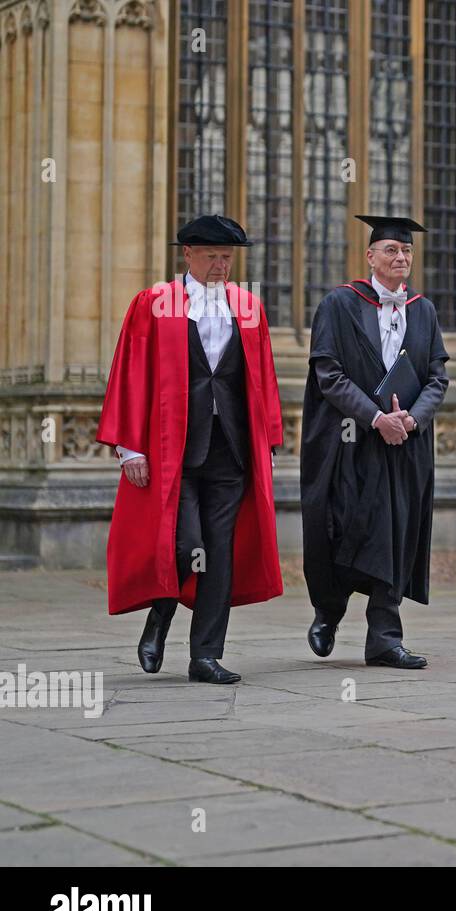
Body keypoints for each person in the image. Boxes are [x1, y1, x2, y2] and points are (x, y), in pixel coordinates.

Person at [98, 214, 283, 684]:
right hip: (171, 450)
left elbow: (260, 380)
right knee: (185, 545)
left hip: (230, 449)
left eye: (227, 257)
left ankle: (205, 655)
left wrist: (268, 444)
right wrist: (128, 447)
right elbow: (130, 372)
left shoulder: (247, 307)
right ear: (187, 254)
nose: (221, 265)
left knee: (219, 552)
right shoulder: (154, 303)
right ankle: (160, 615)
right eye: (211, 256)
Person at [299, 215, 450, 669]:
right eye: (390, 250)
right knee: (340, 528)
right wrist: (375, 418)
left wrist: (412, 420)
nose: (400, 257)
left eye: (406, 251)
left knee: (396, 532)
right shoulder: (339, 305)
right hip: (350, 443)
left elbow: (438, 377)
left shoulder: (423, 310)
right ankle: (329, 609)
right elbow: (329, 374)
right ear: (370, 256)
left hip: (404, 444)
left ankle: (384, 636)